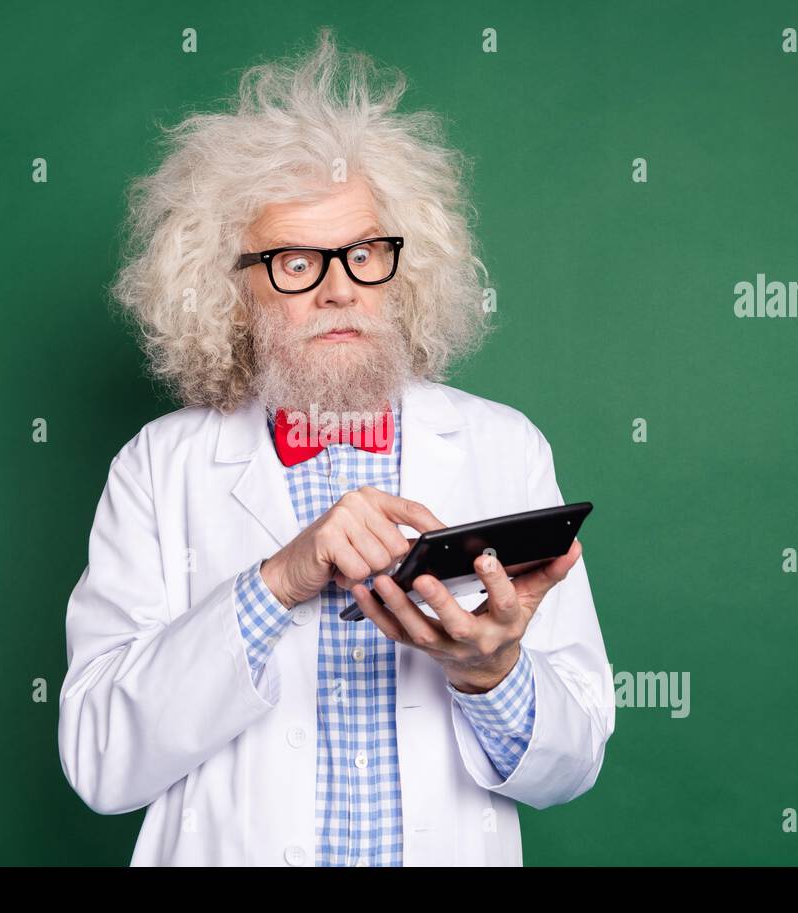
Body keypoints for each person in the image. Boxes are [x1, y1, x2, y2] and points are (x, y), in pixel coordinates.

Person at [57, 27, 615, 866]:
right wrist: (281, 580)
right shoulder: (159, 466)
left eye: (363, 252)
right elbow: (102, 762)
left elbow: (570, 767)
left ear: (404, 268)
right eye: (292, 261)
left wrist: (493, 672)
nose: (339, 287)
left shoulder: (502, 446)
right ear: (230, 291)